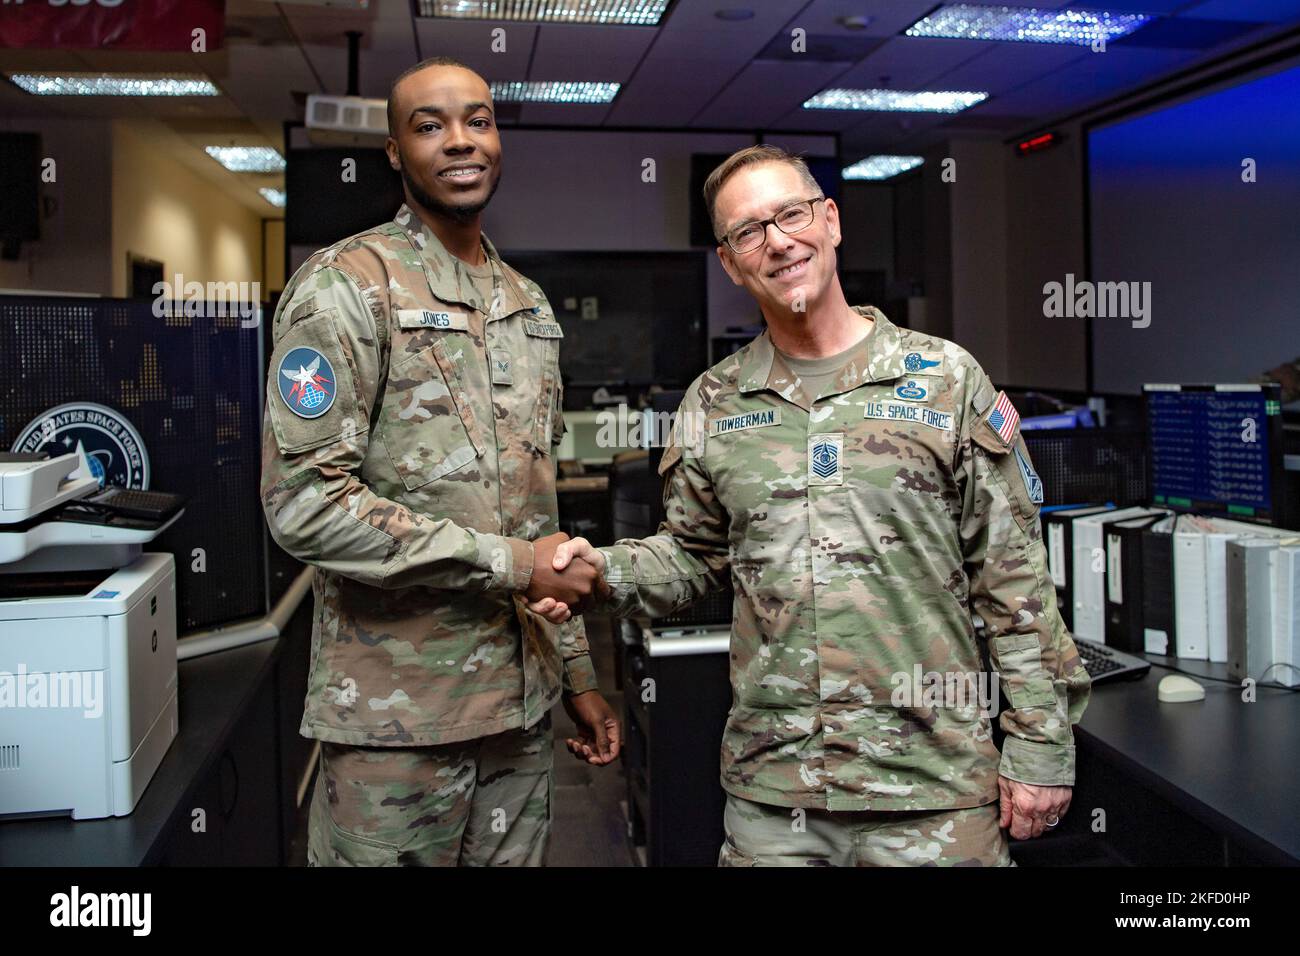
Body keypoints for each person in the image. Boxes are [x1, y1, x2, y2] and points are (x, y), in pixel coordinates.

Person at [531, 145, 1091, 866]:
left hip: (934, 787)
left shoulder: (946, 379)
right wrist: (601, 572)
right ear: (731, 263)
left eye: (790, 214)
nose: (778, 241)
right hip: (777, 792)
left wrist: (1041, 743)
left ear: (829, 221)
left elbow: (1012, 578)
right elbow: (693, 559)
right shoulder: (713, 401)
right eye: (748, 231)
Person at [260, 56, 618, 867]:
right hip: (395, 725)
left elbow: (538, 515)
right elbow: (304, 504)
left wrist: (577, 677)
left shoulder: (528, 307)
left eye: (479, 120)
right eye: (430, 125)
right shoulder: (346, 287)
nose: (460, 141)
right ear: (394, 150)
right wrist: (513, 565)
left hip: (520, 719)